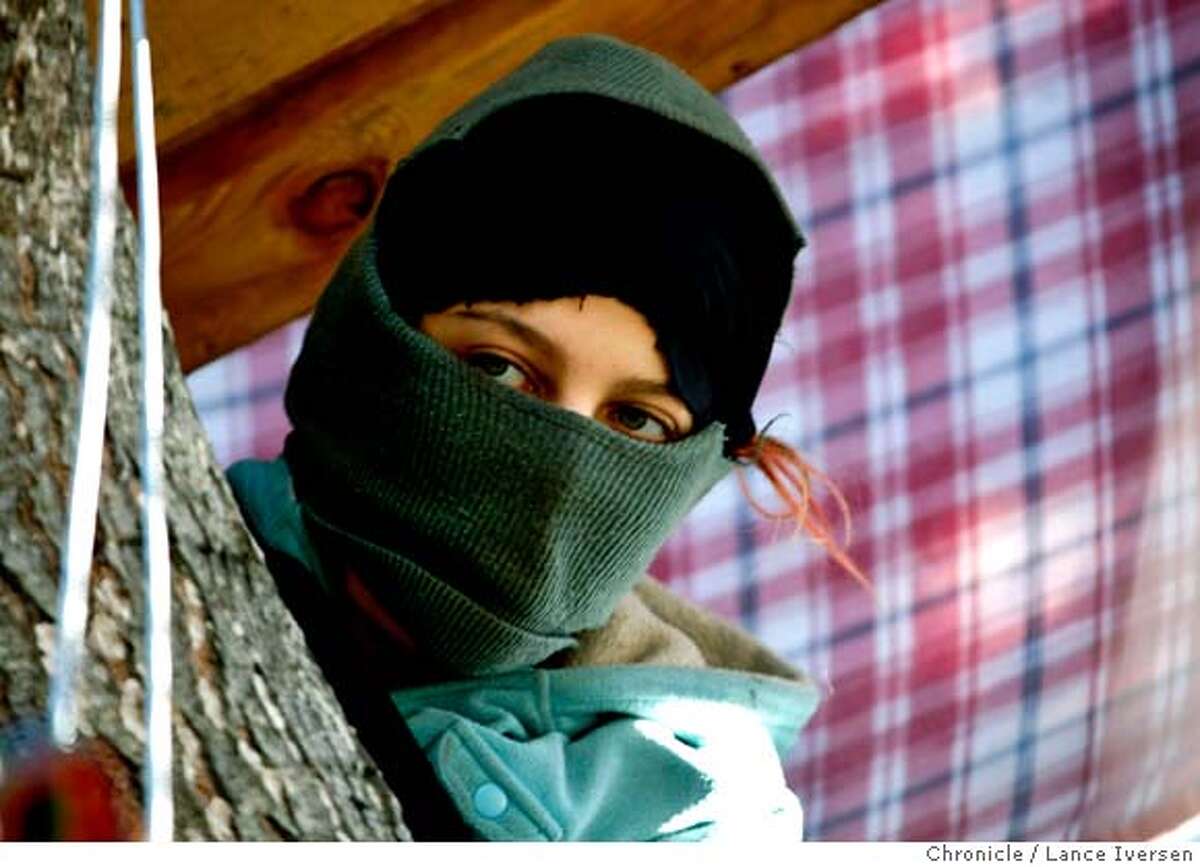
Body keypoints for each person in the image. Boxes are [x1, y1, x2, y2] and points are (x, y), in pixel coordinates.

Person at [227, 33, 858, 841]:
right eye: (499, 369)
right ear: (374, 324)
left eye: (635, 420)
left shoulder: (697, 803)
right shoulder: (170, 535)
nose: (560, 466)